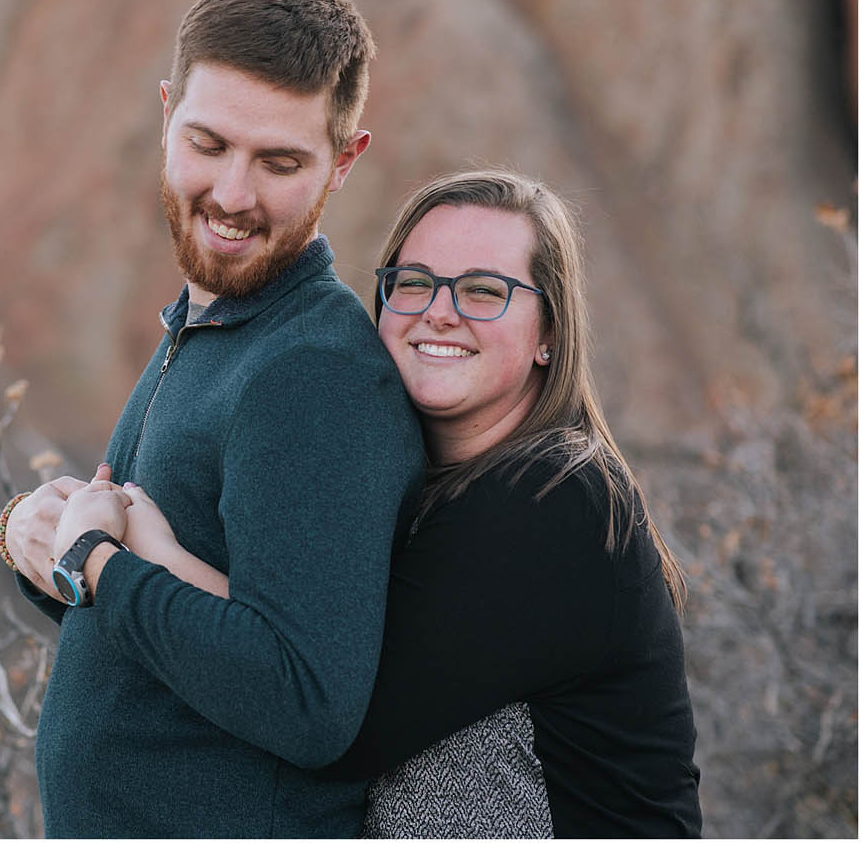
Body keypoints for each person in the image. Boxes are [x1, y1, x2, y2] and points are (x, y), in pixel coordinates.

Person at [116, 171, 703, 839]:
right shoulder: (412, 483)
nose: (439, 311)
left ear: (550, 333)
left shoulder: (557, 501)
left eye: (485, 290)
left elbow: (326, 714)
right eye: (414, 281)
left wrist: (141, 558)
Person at [0, 0, 425, 838]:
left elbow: (307, 700)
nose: (233, 195)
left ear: (344, 162)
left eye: (280, 163)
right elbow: (177, 624)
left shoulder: (313, 375)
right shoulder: (213, 327)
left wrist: (99, 567)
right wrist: (35, 541)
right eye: (208, 144)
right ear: (165, 116)